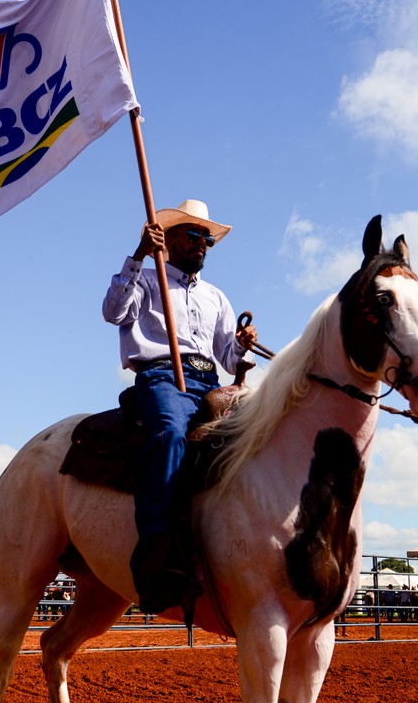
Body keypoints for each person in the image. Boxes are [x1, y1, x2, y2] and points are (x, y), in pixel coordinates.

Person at [102, 199, 256, 613]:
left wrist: (241, 347)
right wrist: (138, 255)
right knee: (171, 435)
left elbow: (228, 359)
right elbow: (112, 312)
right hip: (163, 377)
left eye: (207, 238)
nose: (202, 243)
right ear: (167, 240)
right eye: (193, 235)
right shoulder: (147, 279)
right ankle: (157, 554)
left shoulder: (216, 297)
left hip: (209, 381)